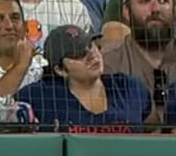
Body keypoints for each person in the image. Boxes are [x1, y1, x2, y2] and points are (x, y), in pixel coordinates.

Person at [15, 24, 151, 131]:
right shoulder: (42, 97)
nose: (92, 55)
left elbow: (153, 129)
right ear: (60, 70)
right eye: (79, 53)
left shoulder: (128, 88)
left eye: (90, 46)